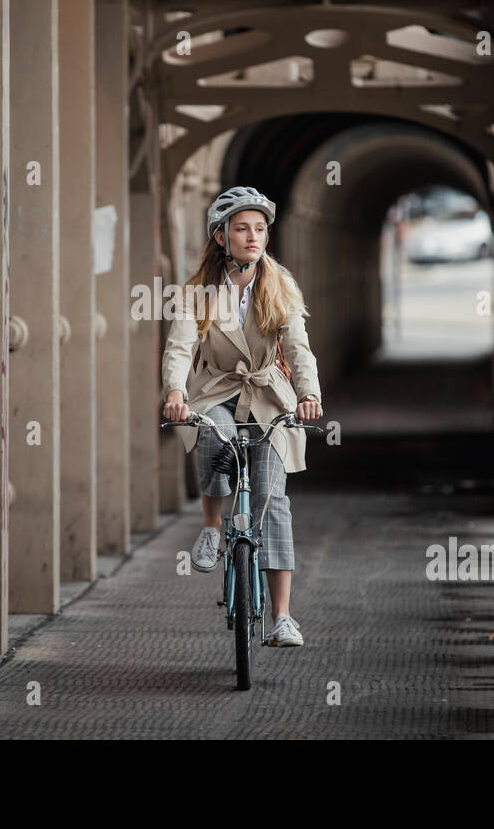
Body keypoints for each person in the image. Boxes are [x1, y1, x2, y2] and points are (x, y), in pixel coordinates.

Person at [161, 186, 323, 647]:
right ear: (221, 237)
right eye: (241, 229)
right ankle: (212, 527)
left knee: (273, 504)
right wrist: (175, 391)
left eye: (259, 229)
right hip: (217, 391)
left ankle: (282, 618)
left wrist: (308, 394)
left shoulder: (280, 288)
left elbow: (299, 348)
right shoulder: (197, 294)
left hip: (269, 395)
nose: (252, 237)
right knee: (216, 437)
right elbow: (179, 347)